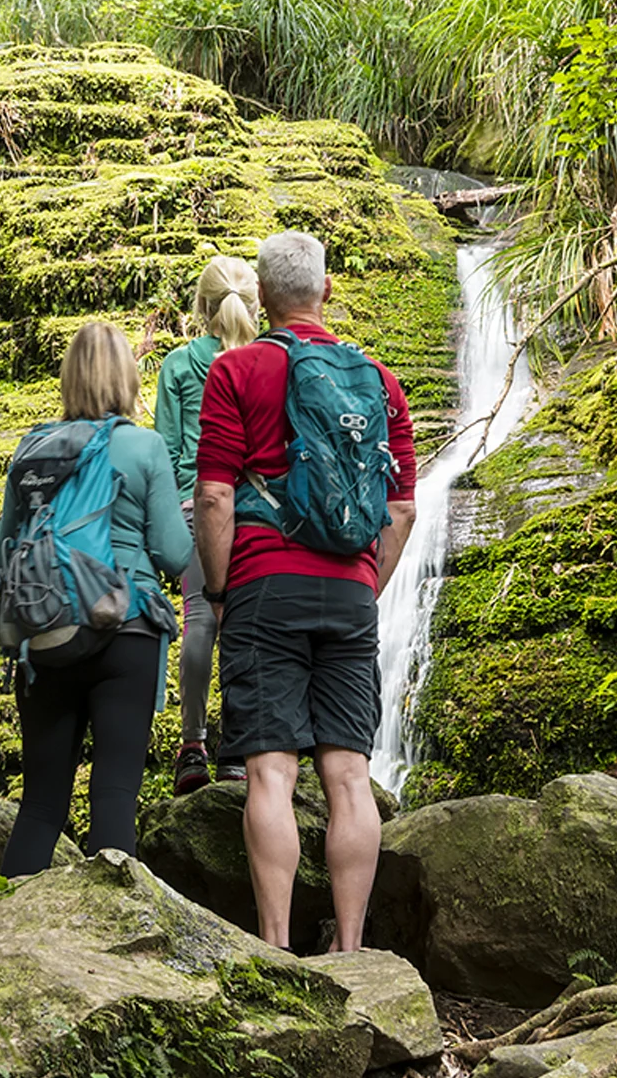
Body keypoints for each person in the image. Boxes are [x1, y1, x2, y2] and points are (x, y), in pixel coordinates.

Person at [193, 231, 418, 952]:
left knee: (271, 770)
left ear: (262, 296)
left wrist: (224, 590)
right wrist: (366, 585)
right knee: (349, 771)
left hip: (264, 584)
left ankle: (276, 946)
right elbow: (403, 508)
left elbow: (214, 497)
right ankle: (352, 951)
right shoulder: (380, 381)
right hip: (350, 589)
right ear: (327, 291)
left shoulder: (236, 370)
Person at [0, 322, 192, 877]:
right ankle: (111, 945)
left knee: (39, 805)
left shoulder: (31, 449)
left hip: (46, 631)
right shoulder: (144, 446)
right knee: (112, 793)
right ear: (129, 377)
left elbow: (1, 556)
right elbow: (173, 555)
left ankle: (5, 939)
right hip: (127, 627)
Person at [154, 255, 261, 794]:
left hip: (198, 506)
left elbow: (169, 451)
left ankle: (192, 745)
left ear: (201, 307)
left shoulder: (178, 365)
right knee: (246, 626)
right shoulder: (267, 362)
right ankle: (238, 749)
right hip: (257, 512)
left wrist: (174, 511)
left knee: (199, 619)